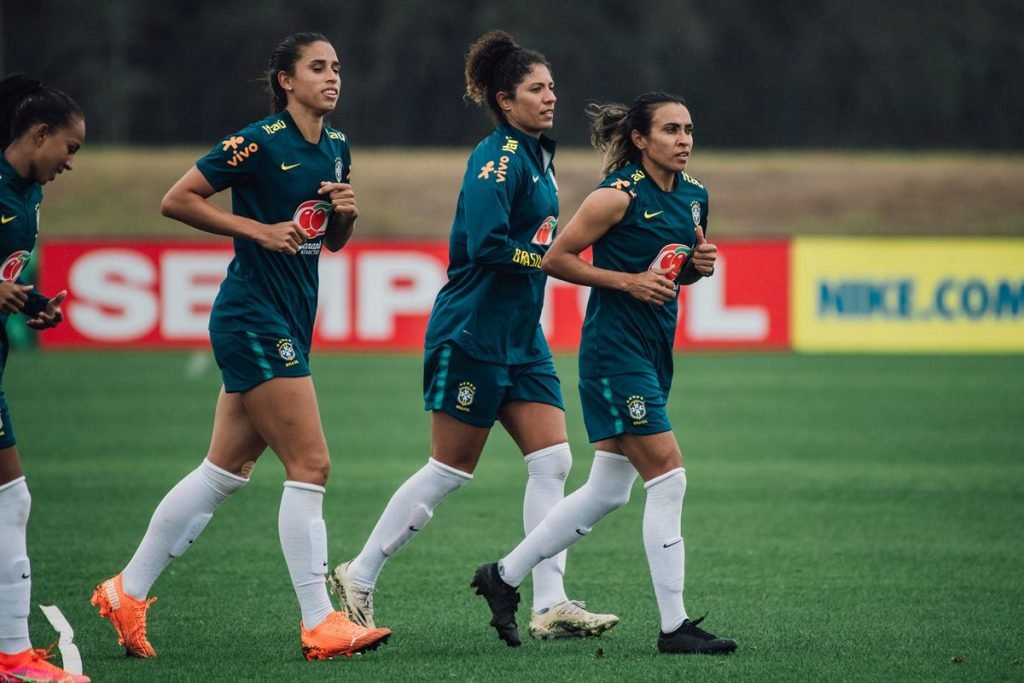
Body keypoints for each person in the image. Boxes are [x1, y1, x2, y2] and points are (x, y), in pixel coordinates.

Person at [90, 32, 391, 662]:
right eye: (317, 67)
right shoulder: (257, 141)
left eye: (337, 66)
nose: (333, 77)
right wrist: (254, 227)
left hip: (289, 316)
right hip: (253, 316)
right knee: (311, 466)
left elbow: (329, 243)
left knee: (223, 471)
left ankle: (127, 590)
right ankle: (320, 623)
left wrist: (346, 214)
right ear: (286, 79)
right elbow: (177, 199)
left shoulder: (336, 146)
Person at [327, 30, 617, 647]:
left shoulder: (539, 154)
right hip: (473, 331)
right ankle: (360, 571)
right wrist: (550, 258)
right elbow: (486, 245)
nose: (550, 97)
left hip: (522, 337)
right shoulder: (497, 158)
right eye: (537, 89)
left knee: (554, 459)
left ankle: (551, 602)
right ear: (504, 100)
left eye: (552, 87)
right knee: (450, 469)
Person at [471, 92, 738, 655]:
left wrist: (694, 269)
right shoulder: (616, 196)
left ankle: (504, 575)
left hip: (653, 350)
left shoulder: (694, 197)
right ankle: (674, 628)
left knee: (609, 489)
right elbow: (556, 258)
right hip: (613, 354)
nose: (684, 139)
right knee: (669, 475)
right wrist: (626, 281)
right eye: (670, 129)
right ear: (641, 140)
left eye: (689, 128)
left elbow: (672, 272)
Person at [0, 74, 88, 683]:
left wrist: (29, 304)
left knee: (11, 501)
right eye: (70, 148)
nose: (70, 163)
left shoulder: (26, 196)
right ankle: (13, 657)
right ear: (39, 134)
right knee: (13, 500)